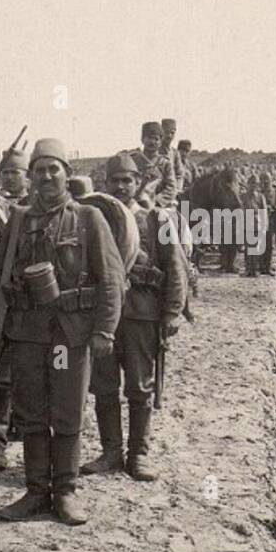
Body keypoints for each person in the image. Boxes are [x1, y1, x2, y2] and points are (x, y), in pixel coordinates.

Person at [0, 138, 124, 525]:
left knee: (66, 410)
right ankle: (34, 491)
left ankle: (64, 492)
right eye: (39, 170)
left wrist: (105, 330)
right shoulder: (19, 221)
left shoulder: (88, 219)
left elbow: (112, 279)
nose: (46, 177)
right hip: (28, 333)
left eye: (53, 169)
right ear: (30, 177)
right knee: (30, 412)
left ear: (66, 174)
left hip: (69, 335)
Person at [82, 152, 186, 481]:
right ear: (105, 184)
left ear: (138, 182)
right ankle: (111, 453)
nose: (122, 186)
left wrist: (171, 312)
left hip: (142, 314)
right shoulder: (93, 217)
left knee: (140, 387)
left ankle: (138, 455)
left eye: (128, 180)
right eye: (115, 180)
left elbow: (175, 267)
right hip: (103, 317)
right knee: (104, 385)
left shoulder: (156, 219)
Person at [132, 121, 176, 209]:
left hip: (157, 205)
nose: (152, 142)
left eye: (156, 139)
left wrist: (157, 201)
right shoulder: (133, 159)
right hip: (133, 200)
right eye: (149, 138)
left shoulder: (164, 163)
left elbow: (171, 187)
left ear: (160, 142)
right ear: (142, 139)